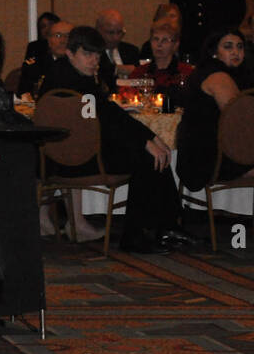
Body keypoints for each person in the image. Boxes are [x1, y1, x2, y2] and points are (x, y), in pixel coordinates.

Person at [38, 26, 188, 254]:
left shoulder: (61, 74)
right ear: (70, 53)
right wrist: (146, 140)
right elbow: (108, 118)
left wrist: (150, 137)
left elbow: (109, 115)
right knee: (146, 159)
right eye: (87, 54)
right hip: (75, 159)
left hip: (64, 156)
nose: (94, 61)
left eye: (97, 56)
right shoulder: (76, 83)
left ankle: (167, 225)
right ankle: (137, 235)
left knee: (153, 153)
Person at [176, 29, 254, 192]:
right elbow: (240, 120)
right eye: (228, 47)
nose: (236, 52)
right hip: (210, 158)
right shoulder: (218, 76)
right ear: (214, 53)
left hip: (219, 150)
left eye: (240, 47)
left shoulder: (233, 75)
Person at [127, 21, 193, 111]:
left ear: (175, 45)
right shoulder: (140, 72)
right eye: (155, 39)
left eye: (165, 40)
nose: (159, 44)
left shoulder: (186, 72)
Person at [18, 19, 72, 97]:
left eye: (68, 36)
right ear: (49, 41)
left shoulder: (81, 65)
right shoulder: (33, 66)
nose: (63, 41)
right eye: (58, 35)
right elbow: (24, 98)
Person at [95, 9, 140, 87]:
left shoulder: (132, 51)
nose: (116, 38)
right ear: (98, 30)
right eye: (110, 32)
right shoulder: (93, 53)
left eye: (119, 32)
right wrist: (117, 69)